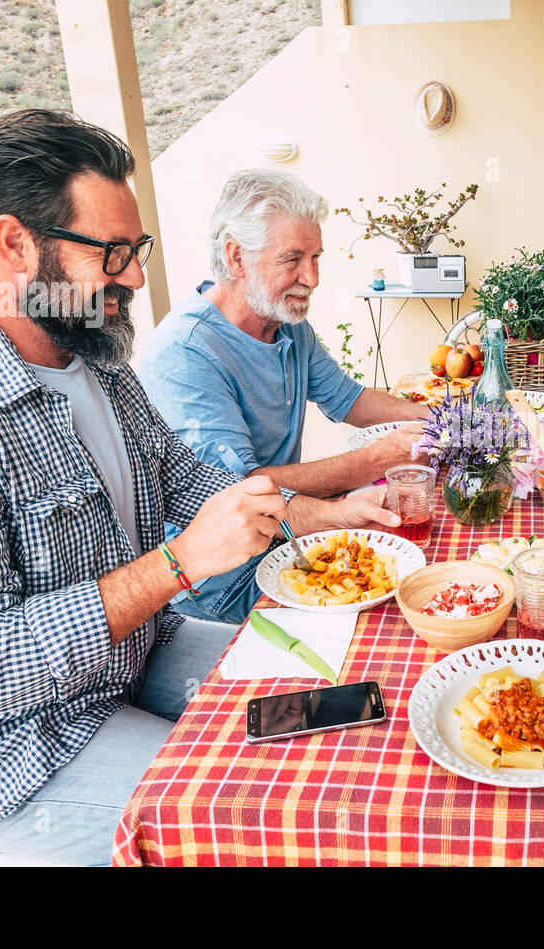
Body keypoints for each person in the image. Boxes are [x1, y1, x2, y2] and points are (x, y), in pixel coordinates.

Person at [0, 110, 395, 866]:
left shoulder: (92, 358)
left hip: (132, 652)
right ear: (14, 245)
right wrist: (179, 564)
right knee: (263, 803)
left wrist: (325, 513)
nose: (136, 277)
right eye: (112, 253)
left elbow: (186, 479)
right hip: (4, 750)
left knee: (341, 697)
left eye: (136, 250)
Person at [140, 168, 429, 623]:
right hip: (221, 582)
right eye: (293, 258)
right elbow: (241, 493)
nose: (311, 277)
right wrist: (373, 463)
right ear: (236, 257)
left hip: (288, 538)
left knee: (419, 572)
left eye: (316, 257)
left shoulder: (288, 322)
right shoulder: (186, 352)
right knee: (385, 614)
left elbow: (348, 398)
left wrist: (437, 417)